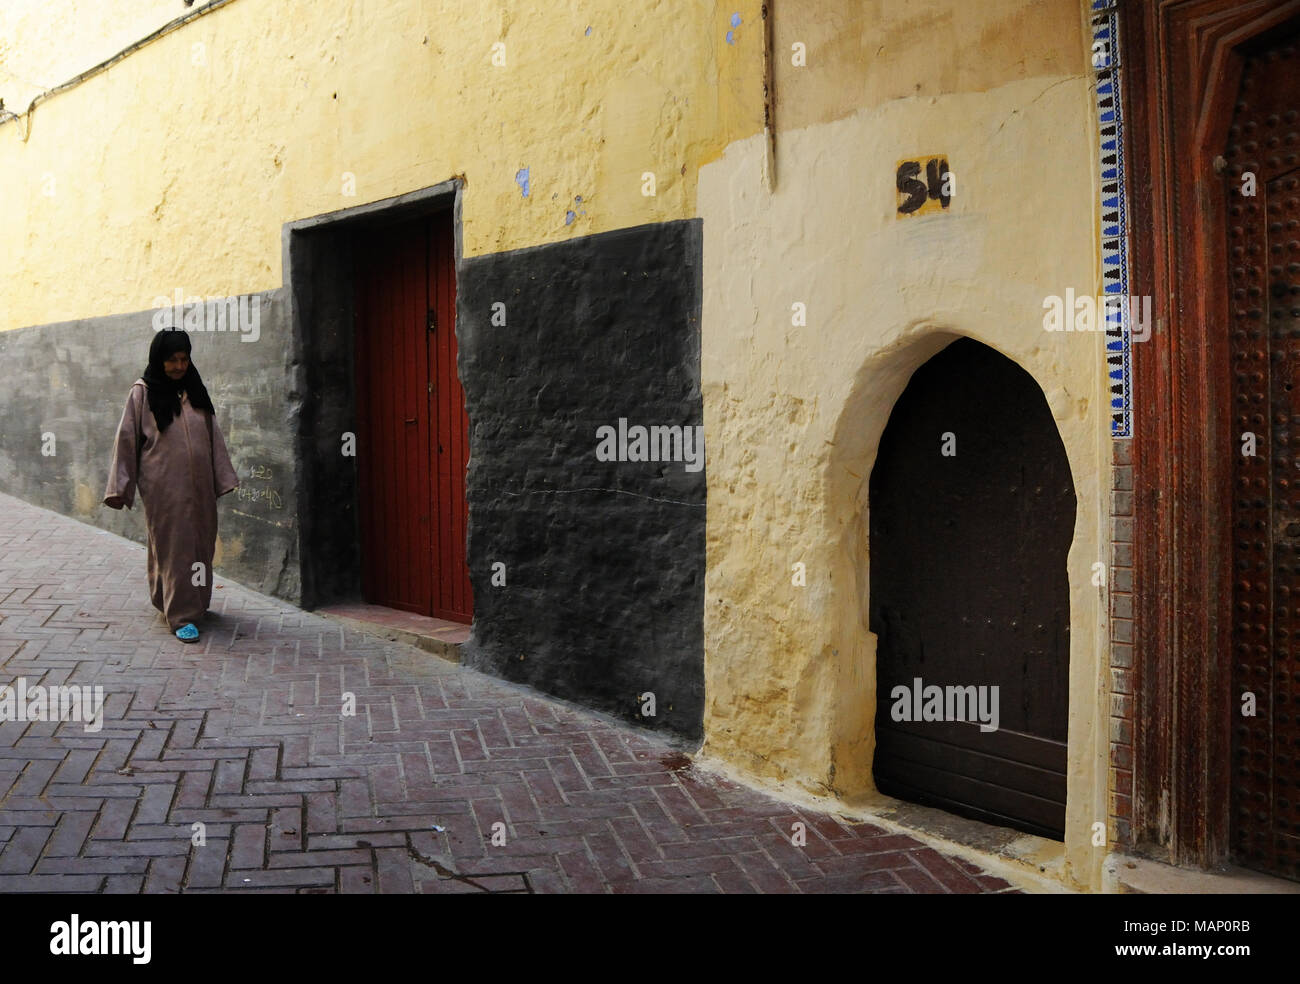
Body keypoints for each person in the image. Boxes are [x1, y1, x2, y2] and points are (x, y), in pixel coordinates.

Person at [103, 330, 239, 642]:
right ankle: (181, 617)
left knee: (201, 544)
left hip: (200, 485)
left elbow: (212, 434)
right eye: (172, 360)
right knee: (174, 547)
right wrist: (119, 487)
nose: (179, 366)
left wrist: (222, 475)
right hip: (163, 485)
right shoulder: (142, 393)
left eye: (184, 359)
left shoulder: (195, 389)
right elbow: (126, 441)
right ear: (158, 360)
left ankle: (192, 603)